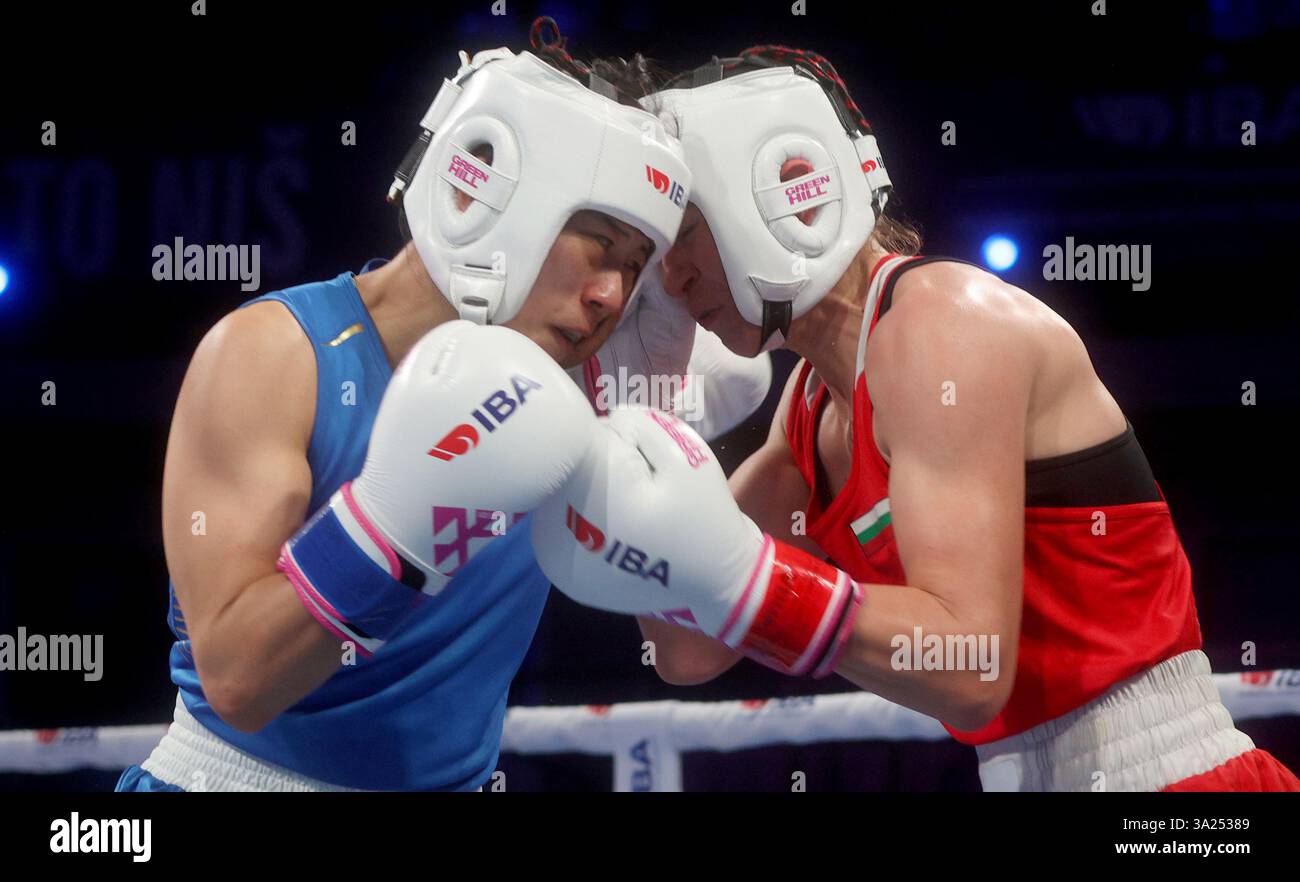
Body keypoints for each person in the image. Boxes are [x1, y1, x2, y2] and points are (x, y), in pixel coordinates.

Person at [533, 46, 1300, 792]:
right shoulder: (808, 410)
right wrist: (634, 415)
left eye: (686, 232)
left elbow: (969, 669)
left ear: (769, 192)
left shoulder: (944, 325)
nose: (671, 277)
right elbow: (688, 648)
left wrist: (749, 582)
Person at [115, 45, 696, 792]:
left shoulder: (580, 393)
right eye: (598, 244)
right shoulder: (276, 356)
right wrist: (393, 527)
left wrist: (670, 432)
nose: (612, 296)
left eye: (635, 264)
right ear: (488, 200)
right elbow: (238, 679)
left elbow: (683, 654)